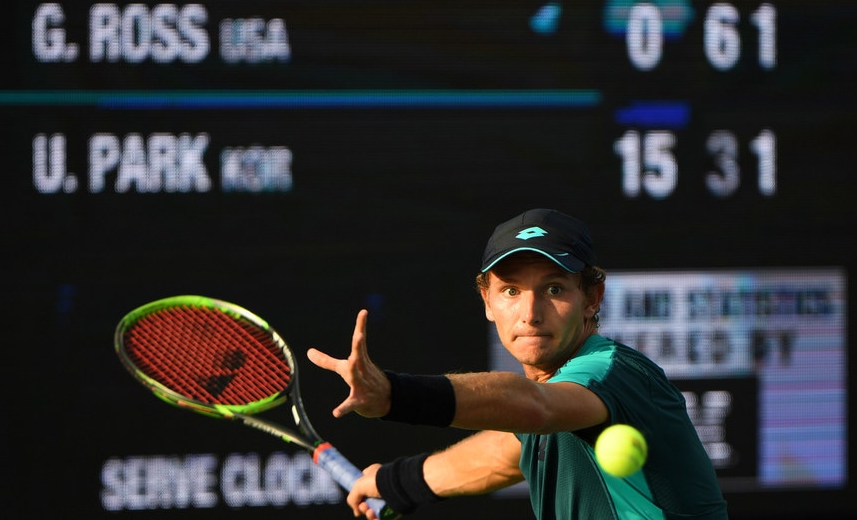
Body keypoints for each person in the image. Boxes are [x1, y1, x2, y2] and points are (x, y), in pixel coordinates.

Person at [308, 208, 728, 519]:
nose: (530, 313)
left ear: (591, 298)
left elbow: (534, 406)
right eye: (511, 291)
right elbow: (504, 453)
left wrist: (393, 395)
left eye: (554, 289)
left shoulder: (612, 372)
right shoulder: (558, 410)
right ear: (487, 302)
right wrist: (398, 484)